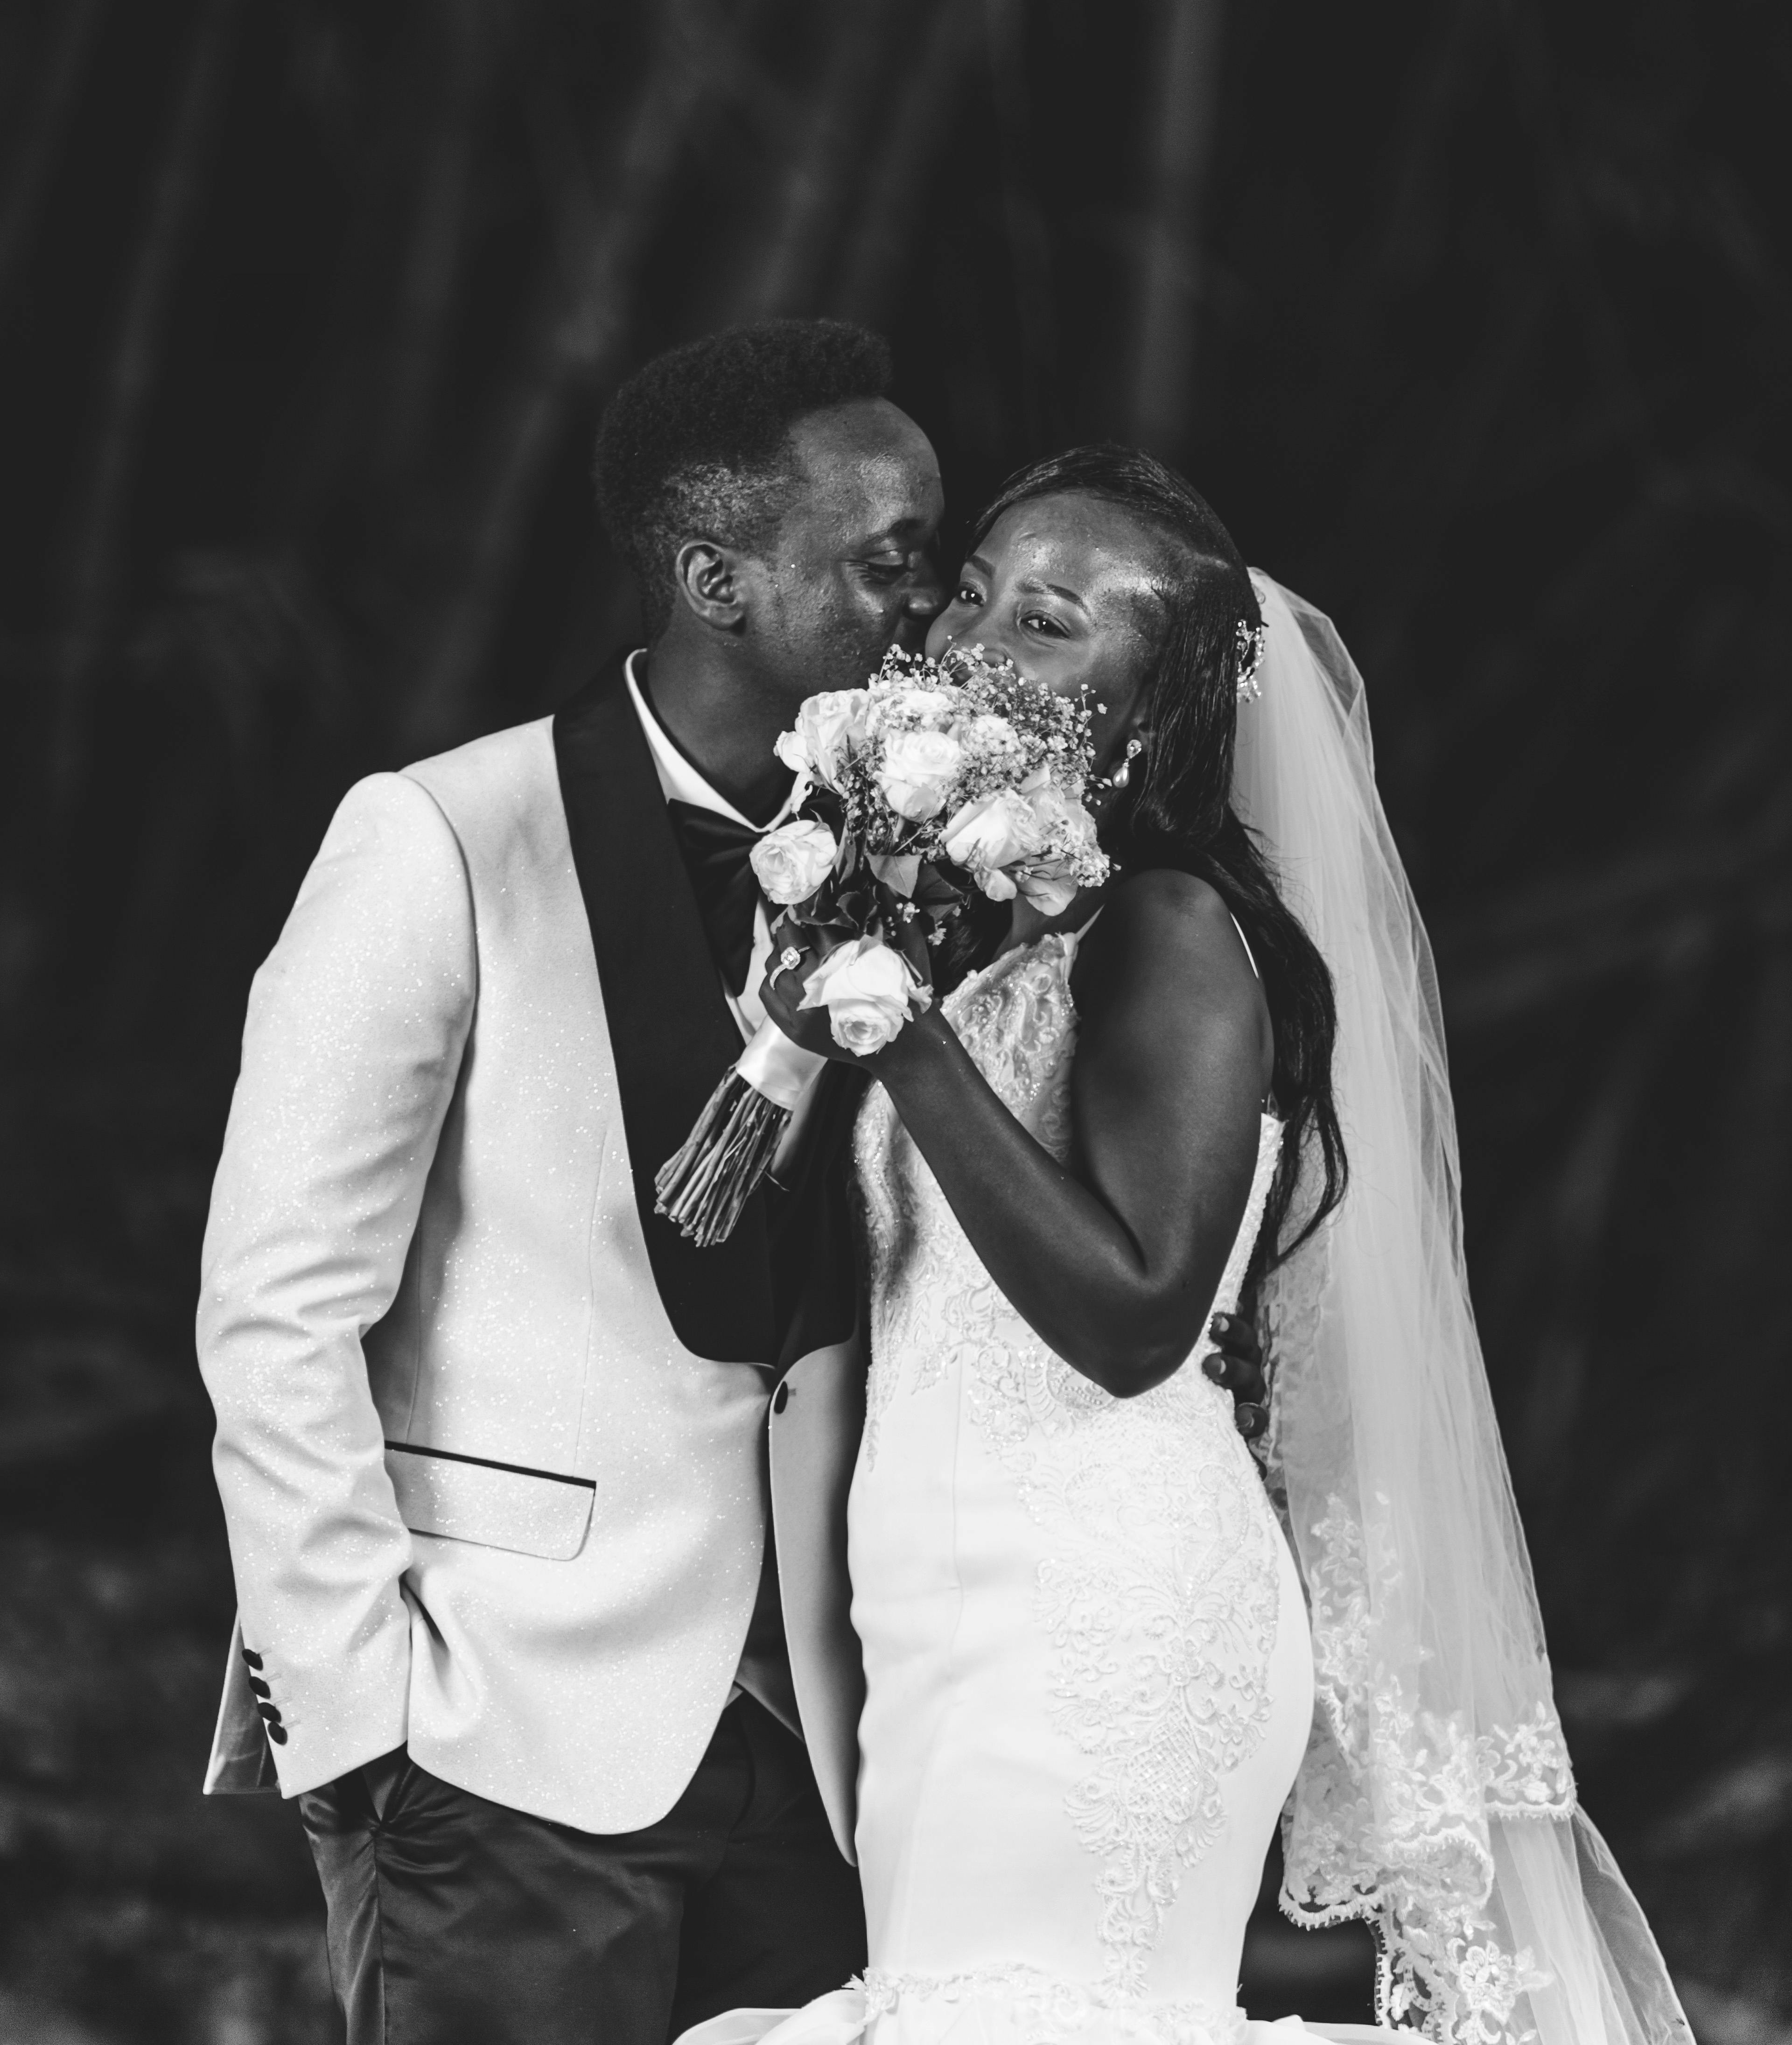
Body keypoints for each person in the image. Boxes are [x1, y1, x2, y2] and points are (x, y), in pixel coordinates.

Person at [195, 327, 1266, 2045]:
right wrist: (357, 1719)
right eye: (895, 566)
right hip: (501, 1735)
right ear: (716, 576)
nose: (931, 619)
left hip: (837, 1745)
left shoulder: (959, 871)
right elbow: (276, 1306)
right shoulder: (440, 838)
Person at [700, 443, 1691, 2045]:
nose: (970, 644)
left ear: (1153, 706)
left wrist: (898, 1041)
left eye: (1048, 620)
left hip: (1097, 1601)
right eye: (974, 597)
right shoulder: (994, 944)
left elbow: (1140, 1313)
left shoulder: (1170, 930)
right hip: (947, 1592)